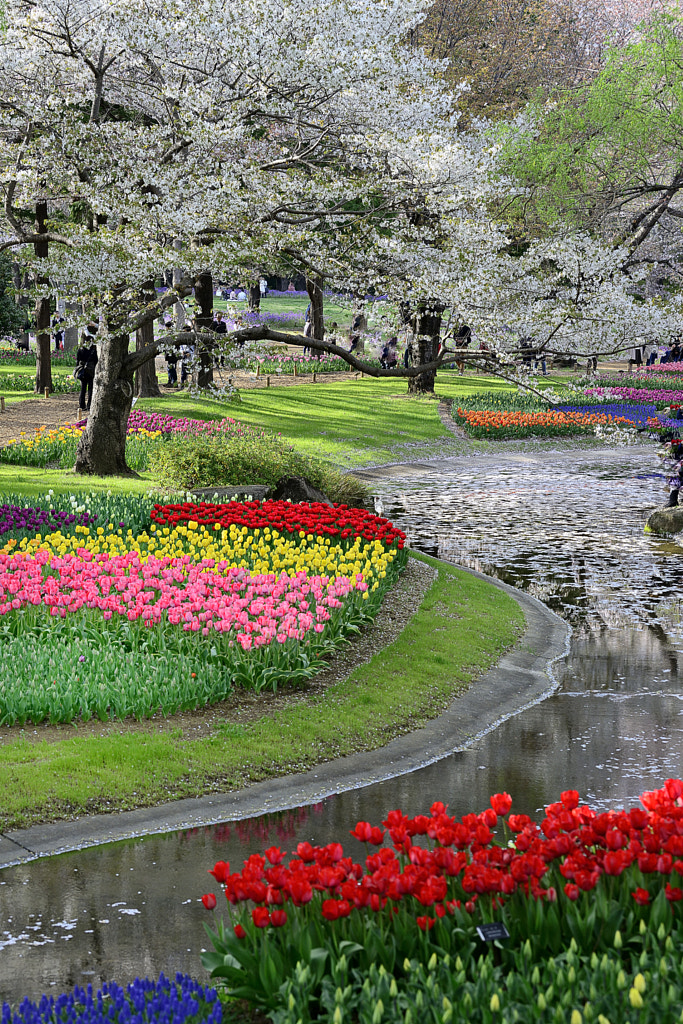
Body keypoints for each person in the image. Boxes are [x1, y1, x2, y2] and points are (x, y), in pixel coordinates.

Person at [75, 327, 98, 412]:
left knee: (83, 389)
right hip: (91, 371)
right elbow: (96, 361)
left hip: (82, 370)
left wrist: (77, 368)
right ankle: (89, 405)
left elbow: (78, 360)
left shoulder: (80, 350)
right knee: (90, 389)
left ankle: (81, 405)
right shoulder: (93, 351)